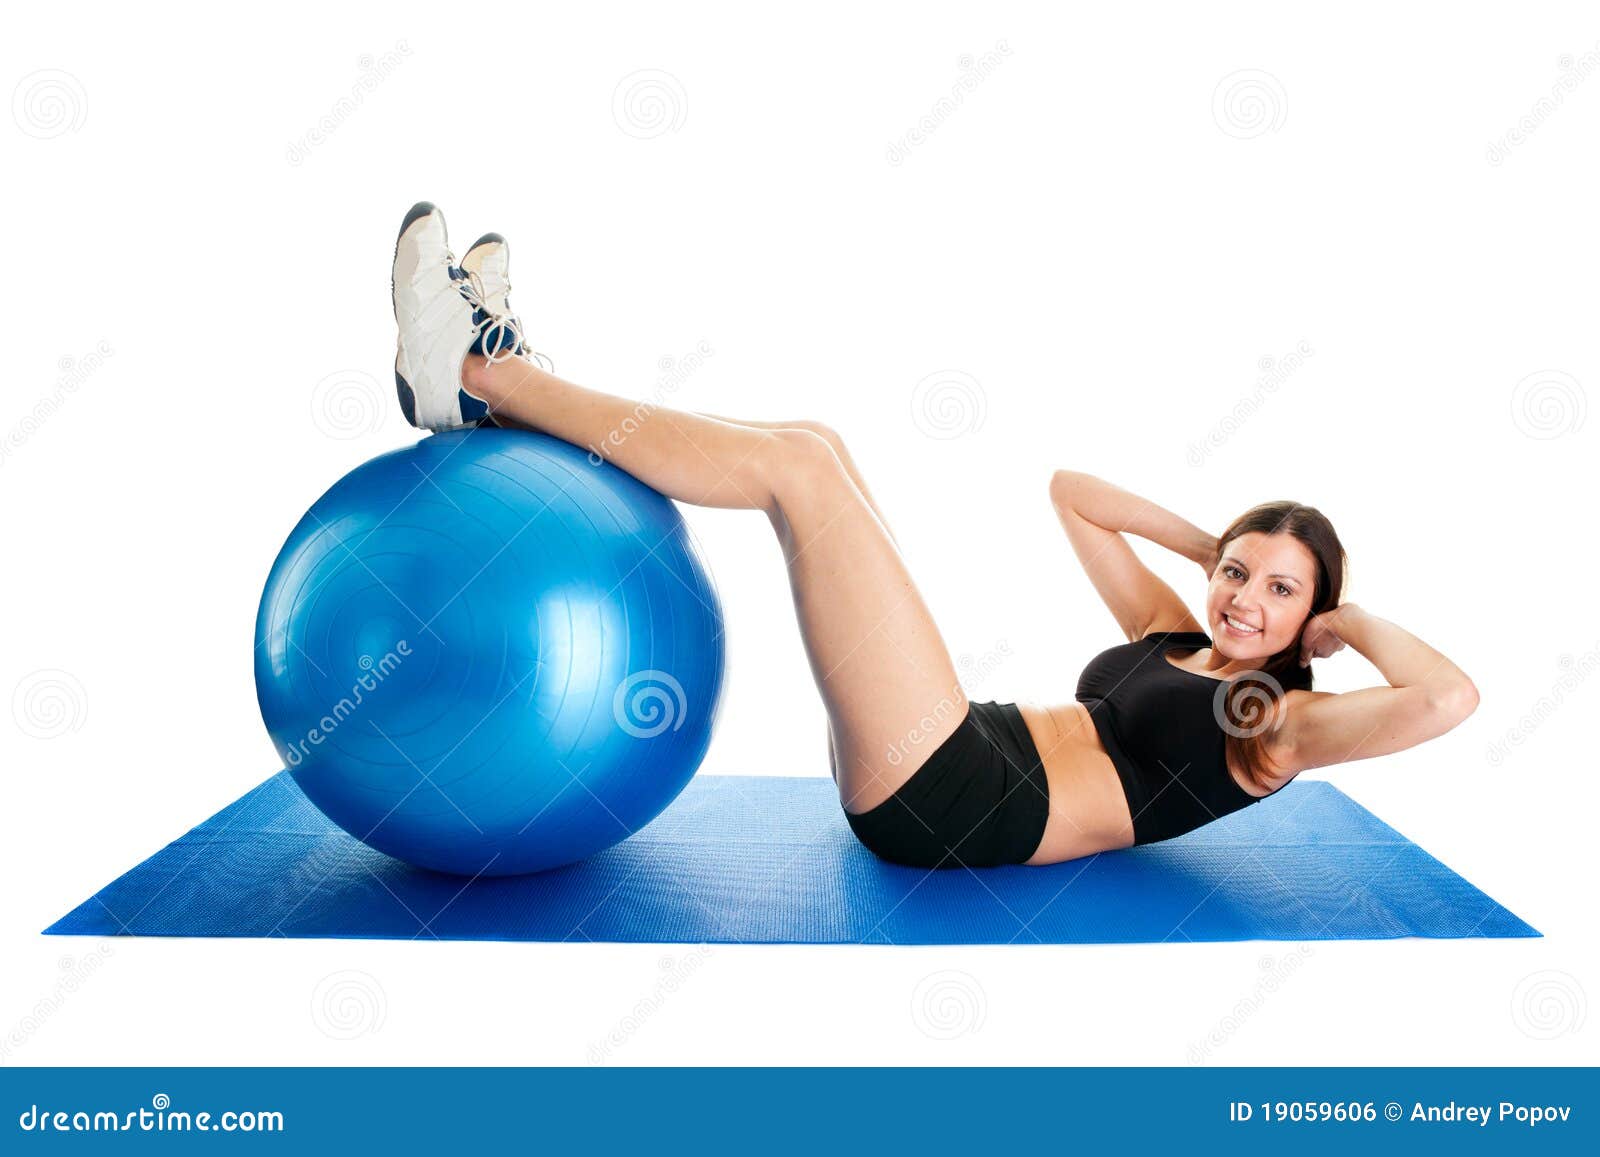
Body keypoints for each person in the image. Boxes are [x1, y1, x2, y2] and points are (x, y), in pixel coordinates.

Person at [390, 201, 1480, 870]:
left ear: (1309, 616)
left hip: (953, 797)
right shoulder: (1174, 632)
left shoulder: (1272, 720)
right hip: (956, 738)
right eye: (1244, 573)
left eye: (1278, 591)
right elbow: (1074, 493)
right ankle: (506, 387)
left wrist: (1350, 619)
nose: (1246, 598)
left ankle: (482, 371)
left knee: (799, 473)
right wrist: (1210, 552)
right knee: (819, 438)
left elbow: (1445, 699)